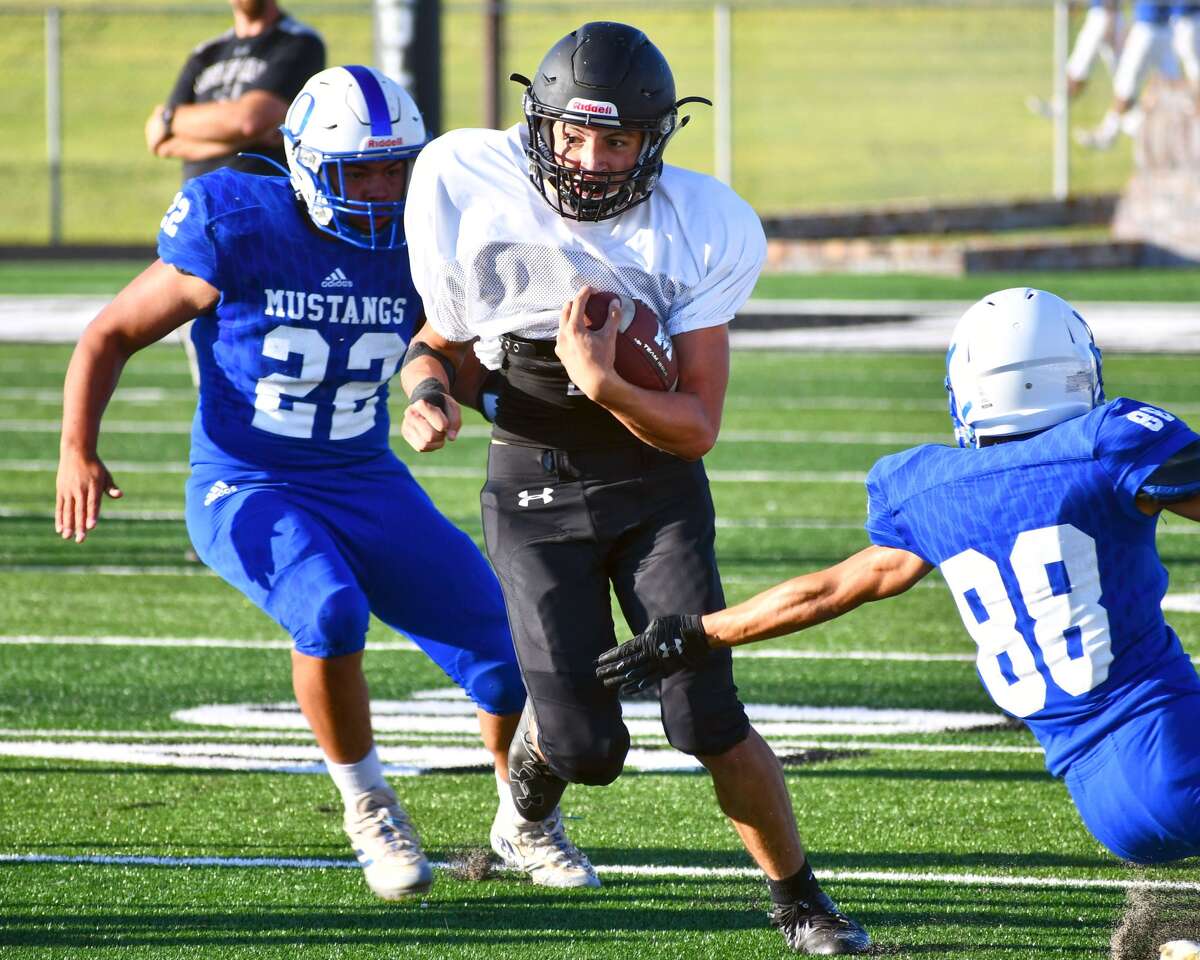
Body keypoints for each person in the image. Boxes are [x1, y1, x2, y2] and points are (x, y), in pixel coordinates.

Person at [399, 21, 872, 956]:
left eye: (615, 140)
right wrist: (425, 395)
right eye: (573, 135)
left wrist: (606, 381)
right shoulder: (466, 180)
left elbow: (697, 426)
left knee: (706, 715)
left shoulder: (699, 220)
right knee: (588, 751)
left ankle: (800, 900)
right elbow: (441, 346)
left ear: (653, 139)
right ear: (536, 122)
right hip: (532, 480)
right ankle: (528, 802)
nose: (590, 159)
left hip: (655, 486)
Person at [55, 65, 538, 900]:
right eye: (363, 171)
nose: (385, 190)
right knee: (329, 608)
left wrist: (443, 396)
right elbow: (109, 334)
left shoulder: (422, 240)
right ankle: (369, 807)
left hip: (365, 475)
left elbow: (448, 357)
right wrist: (77, 450)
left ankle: (525, 821)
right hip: (248, 478)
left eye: (398, 168)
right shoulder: (239, 223)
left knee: (506, 661)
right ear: (310, 165)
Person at [599, 287, 1200, 867]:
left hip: (1101, 803)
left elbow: (830, 590)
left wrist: (695, 631)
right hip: (1173, 744)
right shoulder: (1107, 445)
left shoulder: (930, 488)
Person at [144, 0, 325, 182]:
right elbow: (161, 142)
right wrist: (245, 140)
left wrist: (171, 120)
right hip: (200, 201)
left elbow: (250, 120)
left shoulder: (300, 42)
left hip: (259, 197)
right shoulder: (205, 53)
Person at [1076, 1, 1181, 148]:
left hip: (1156, 29)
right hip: (1154, 28)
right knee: (1131, 86)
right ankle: (1116, 131)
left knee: (1167, 89)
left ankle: (1116, 132)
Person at [1027, 0, 1123, 120]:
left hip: (1106, 16)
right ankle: (1057, 107)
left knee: (1122, 78)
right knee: (1079, 68)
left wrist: (1110, 19)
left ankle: (1130, 123)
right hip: (1099, 15)